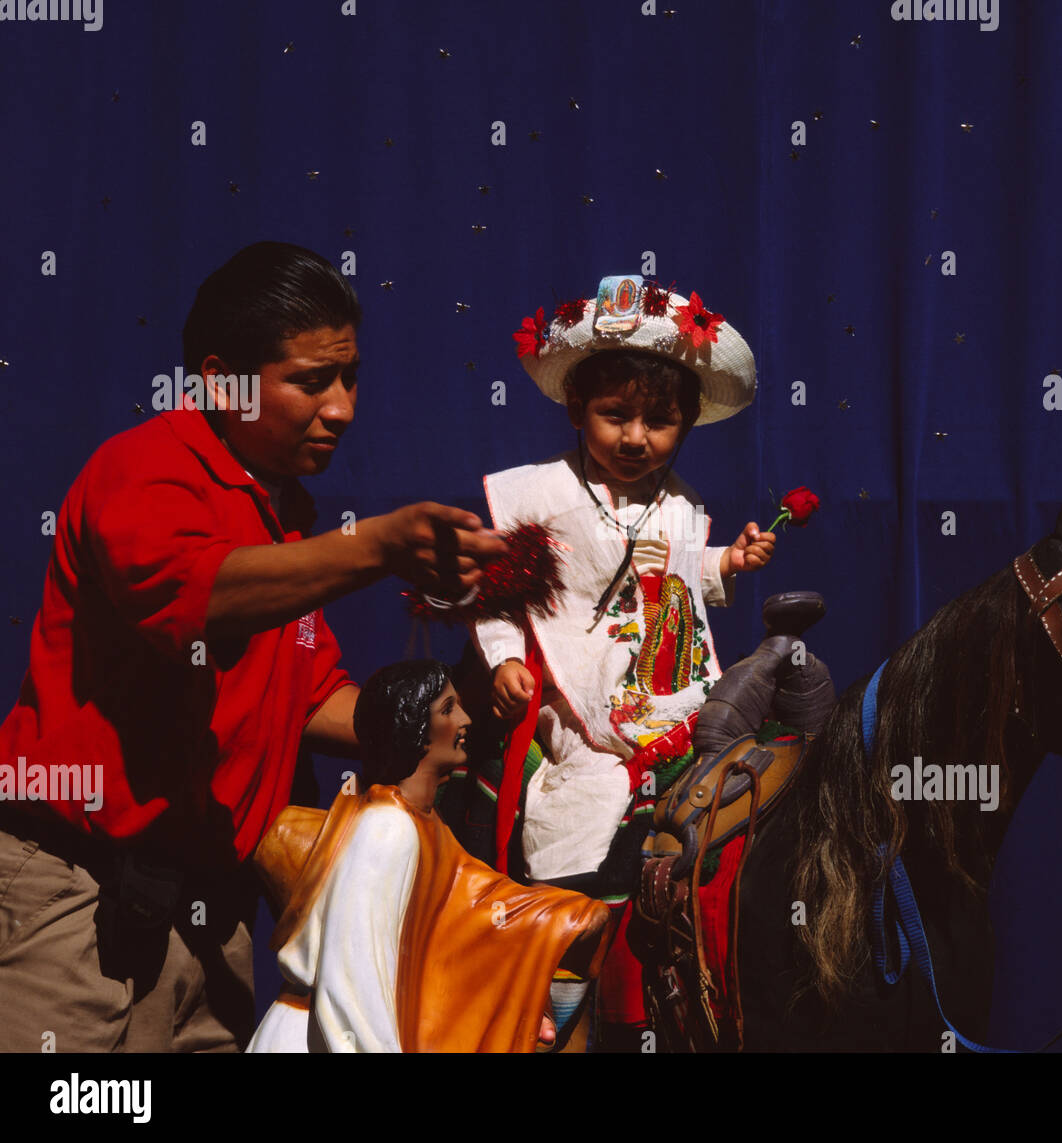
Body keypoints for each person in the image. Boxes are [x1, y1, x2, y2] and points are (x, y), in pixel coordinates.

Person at [0, 241, 506, 1052]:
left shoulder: (280, 520)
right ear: (219, 378)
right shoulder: (144, 468)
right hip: (73, 901)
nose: (341, 407)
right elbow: (191, 599)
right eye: (311, 380)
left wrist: (474, 693)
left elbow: (318, 703)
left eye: (349, 378)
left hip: (211, 927)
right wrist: (376, 546)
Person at [466, 274, 772, 1040]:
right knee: (587, 811)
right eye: (615, 415)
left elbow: (673, 577)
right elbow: (498, 593)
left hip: (669, 698)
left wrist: (722, 565)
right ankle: (563, 993)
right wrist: (505, 658)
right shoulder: (539, 495)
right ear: (577, 408)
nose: (636, 437)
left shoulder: (678, 503)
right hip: (582, 705)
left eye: (660, 421)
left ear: (688, 421)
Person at [247, 660, 610, 1053]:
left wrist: (561, 919)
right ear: (416, 731)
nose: (466, 719)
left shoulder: (421, 821)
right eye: (449, 709)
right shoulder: (388, 828)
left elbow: (471, 901)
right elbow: (352, 976)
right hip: (323, 1039)